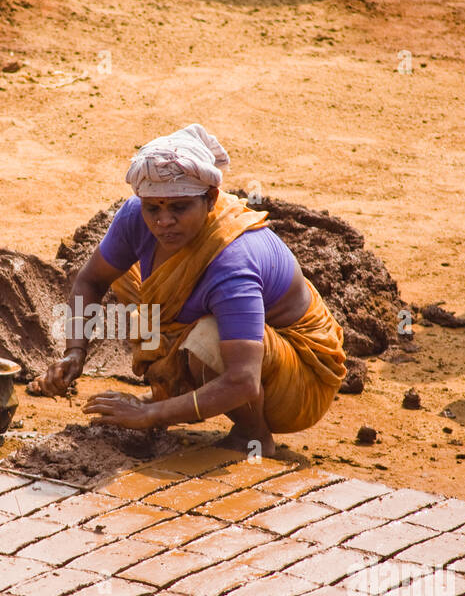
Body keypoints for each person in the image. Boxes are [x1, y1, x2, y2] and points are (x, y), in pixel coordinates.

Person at [35, 124, 347, 458]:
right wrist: (75, 352)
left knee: (206, 338)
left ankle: (252, 436)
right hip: (244, 363)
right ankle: (171, 394)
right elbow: (90, 281)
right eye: (153, 208)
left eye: (179, 208)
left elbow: (243, 380)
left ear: (210, 198)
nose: (163, 221)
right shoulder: (135, 218)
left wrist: (148, 416)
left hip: (297, 385)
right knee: (129, 279)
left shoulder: (233, 260)